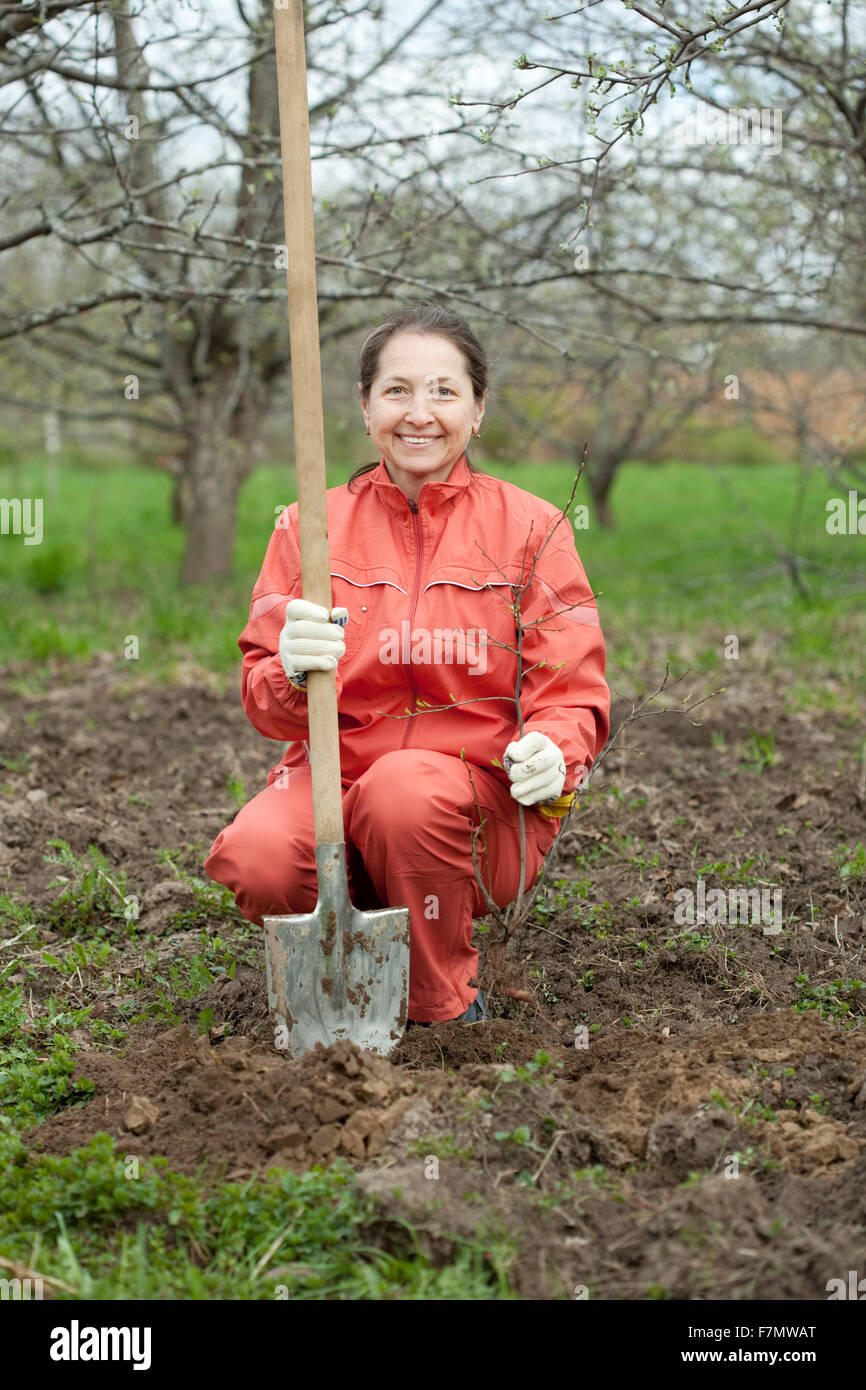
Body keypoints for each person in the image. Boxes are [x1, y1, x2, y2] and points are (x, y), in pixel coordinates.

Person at [204, 299, 610, 1024]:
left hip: (472, 813)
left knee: (404, 793)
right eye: (396, 390)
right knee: (260, 855)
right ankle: (361, 956)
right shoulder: (310, 527)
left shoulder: (532, 528)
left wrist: (557, 747)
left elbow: (571, 688)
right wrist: (289, 672)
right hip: (340, 785)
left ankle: (440, 1009)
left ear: (478, 410)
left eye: (444, 392)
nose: (419, 413)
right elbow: (263, 703)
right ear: (365, 407)